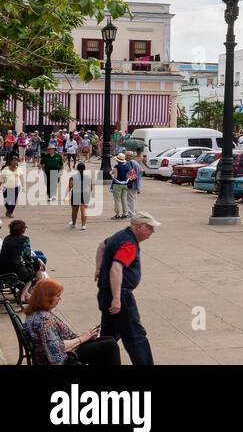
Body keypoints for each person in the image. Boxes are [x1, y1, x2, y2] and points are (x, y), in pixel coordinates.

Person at [94, 211, 160, 366]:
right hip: (120, 295)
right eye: (149, 228)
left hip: (105, 293)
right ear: (138, 227)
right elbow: (116, 268)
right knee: (136, 338)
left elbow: (101, 246)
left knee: (108, 336)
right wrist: (117, 299)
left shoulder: (120, 235)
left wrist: (98, 269)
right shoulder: (129, 243)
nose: (152, 232)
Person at [24, 279, 120, 365]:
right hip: (64, 356)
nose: (59, 299)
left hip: (63, 349)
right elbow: (57, 349)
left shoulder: (35, 312)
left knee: (109, 339)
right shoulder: (44, 321)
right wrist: (81, 338)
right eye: (57, 296)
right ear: (47, 297)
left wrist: (86, 336)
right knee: (110, 346)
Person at [1, 219, 47, 302]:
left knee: (37, 262)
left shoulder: (7, 238)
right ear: (22, 230)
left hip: (3, 268)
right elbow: (27, 257)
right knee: (34, 269)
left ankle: (30, 293)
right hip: (15, 270)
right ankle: (24, 296)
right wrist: (38, 260)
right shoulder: (25, 239)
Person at [67, 162, 93, 231]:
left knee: (74, 210)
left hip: (76, 193)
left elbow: (70, 186)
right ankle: (83, 225)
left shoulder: (73, 176)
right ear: (84, 169)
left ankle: (74, 224)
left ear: (77, 169)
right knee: (84, 210)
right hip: (85, 193)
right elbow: (91, 187)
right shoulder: (88, 176)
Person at [110, 153, 131, 219]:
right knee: (124, 199)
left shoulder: (116, 167)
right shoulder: (127, 166)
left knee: (117, 200)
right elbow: (128, 176)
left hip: (117, 185)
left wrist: (111, 174)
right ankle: (125, 213)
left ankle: (118, 214)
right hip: (125, 184)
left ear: (117, 160)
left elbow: (115, 177)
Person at [125, 151, 143, 217]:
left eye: (126, 156)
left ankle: (131, 213)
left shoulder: (130, 163)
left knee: (130, 199)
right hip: (136, 183)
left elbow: (128, 174)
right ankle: (134, 211)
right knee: (133, 198)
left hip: (131, 184)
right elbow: (141, 171)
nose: (125, 157)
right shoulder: (135, 163)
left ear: (129, 156)